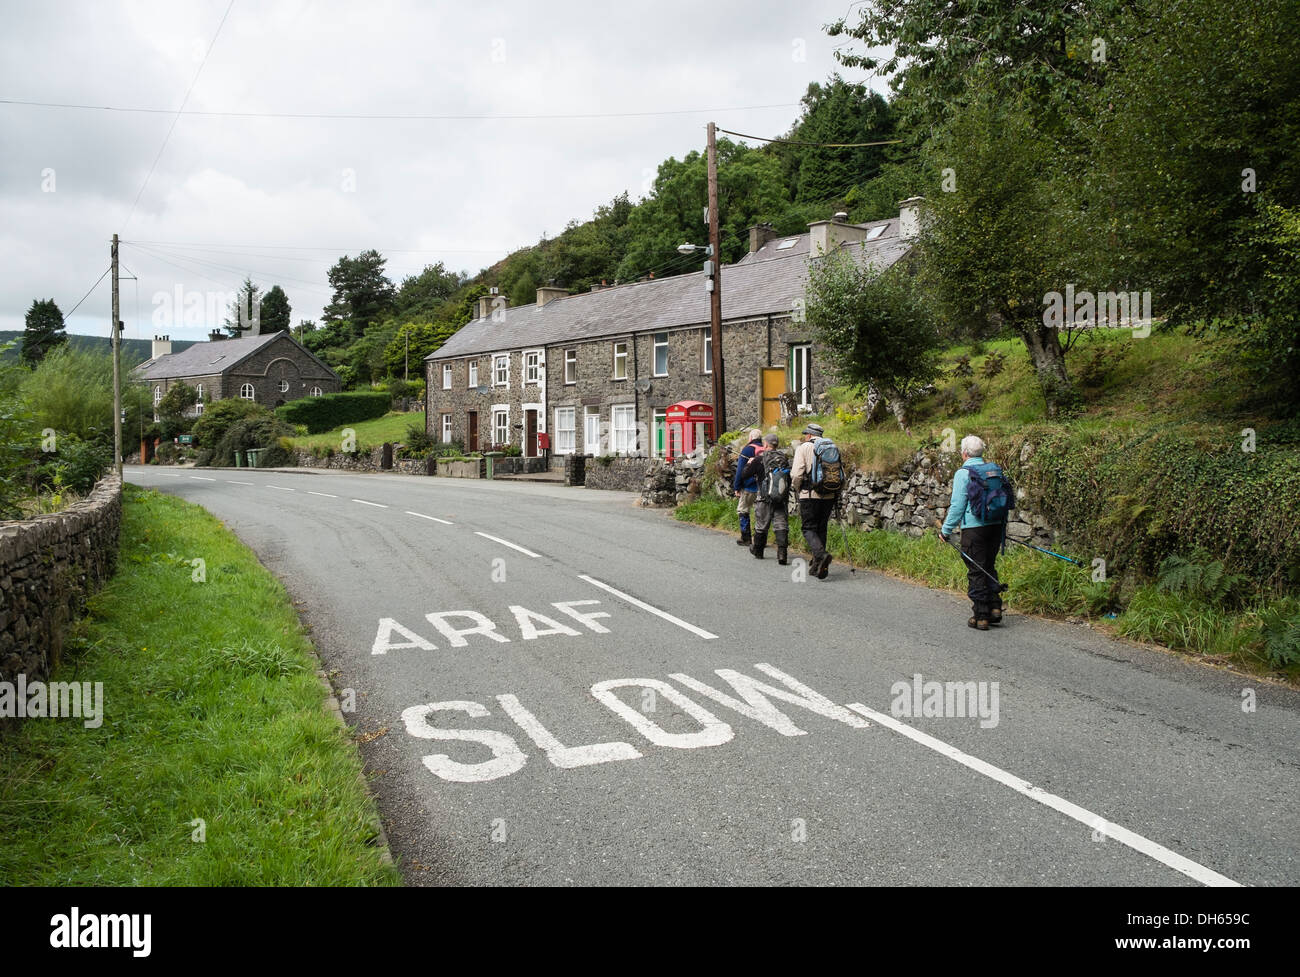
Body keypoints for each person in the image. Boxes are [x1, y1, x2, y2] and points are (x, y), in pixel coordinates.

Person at [939, 435, 1006, 630]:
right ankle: (995, 608)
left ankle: (981, 615)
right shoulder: (994, 470)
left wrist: (945, 530)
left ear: (964, 453)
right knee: (988, 565)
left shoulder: (963, 473)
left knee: (976, 569)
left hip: (974, 529)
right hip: (995, 526)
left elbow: (958, 506)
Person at [790, 423, 838, 579]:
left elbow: (797, 474)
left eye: (806, 434)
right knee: (821, 528)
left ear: (809, 435)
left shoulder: (803, 448)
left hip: (810, 494)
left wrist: (798, 489)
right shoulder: (832, 447)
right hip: (829, 495)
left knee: (808, 528)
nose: (805, 437)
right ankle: (818, 567)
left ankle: (821, 555)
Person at [741, 432, 791, 564]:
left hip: (763, 497)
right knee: (781, 524)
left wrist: (749, 463)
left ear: (765, 445)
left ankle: (758, 550)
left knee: (761, 525)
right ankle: (782, 554)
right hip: (780, 497)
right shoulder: (783, 459)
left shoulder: (759, 459)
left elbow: (744, 475)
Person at [731, 428, 763, 547]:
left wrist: (737, 487)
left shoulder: (747, 450)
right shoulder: (766, 448)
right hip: (763, 487)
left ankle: (746, 537)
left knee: (743, 510)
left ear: (750, 438)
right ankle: (760, 539)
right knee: (760, 513)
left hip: (749, 487)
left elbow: (740, 471)